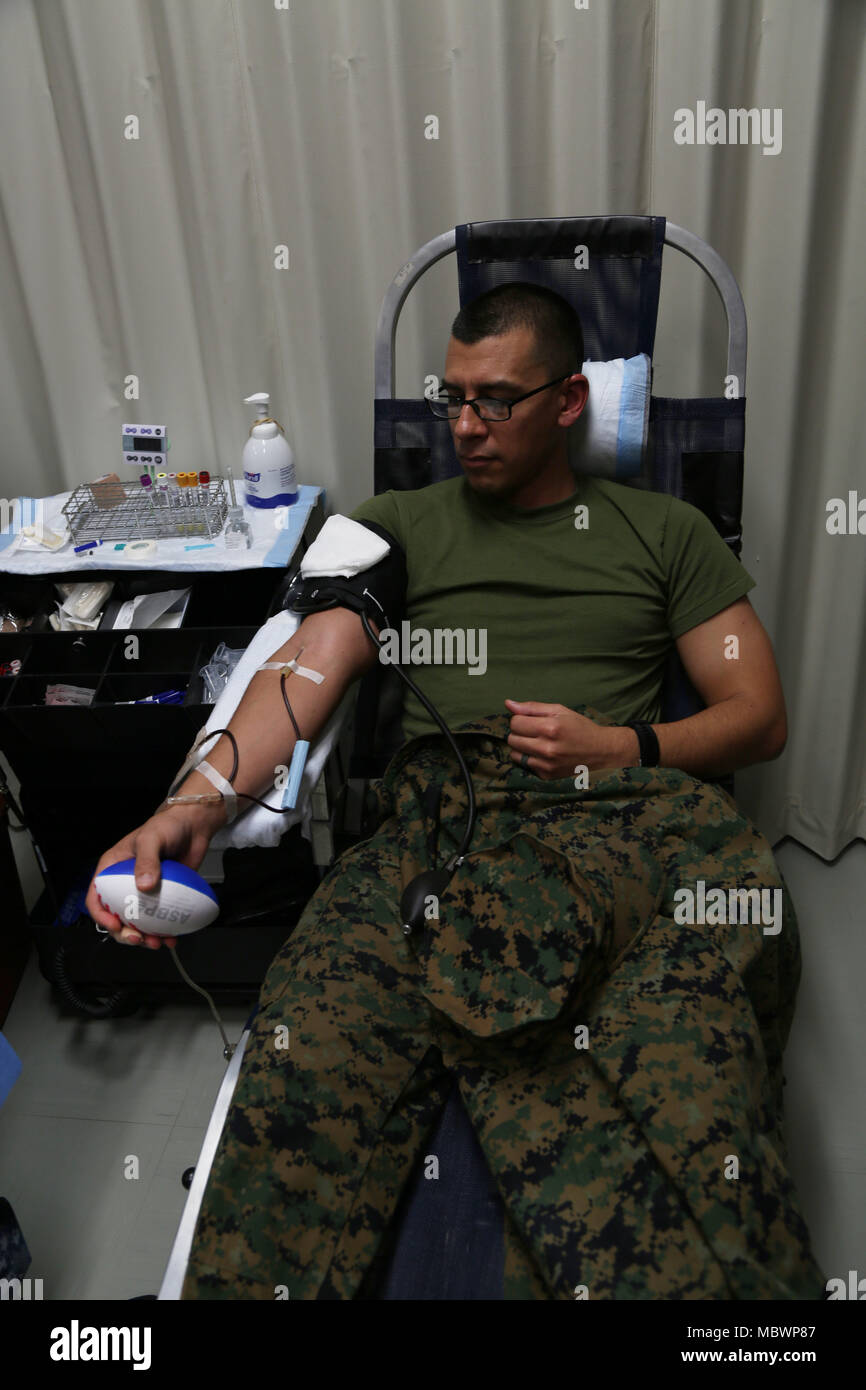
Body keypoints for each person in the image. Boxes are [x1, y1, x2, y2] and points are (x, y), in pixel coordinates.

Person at [86, 283, 824, 1301]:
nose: (465, 427)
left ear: (569, 402)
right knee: (308, 1051)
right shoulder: (396, 525)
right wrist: (200, 798)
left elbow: (757, 712)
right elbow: (311, 662)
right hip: (443, 825)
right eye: (452, 398)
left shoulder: (665, 531)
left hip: (625, 816)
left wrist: (623, 745)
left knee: (685, 1065)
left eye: (497, 401)